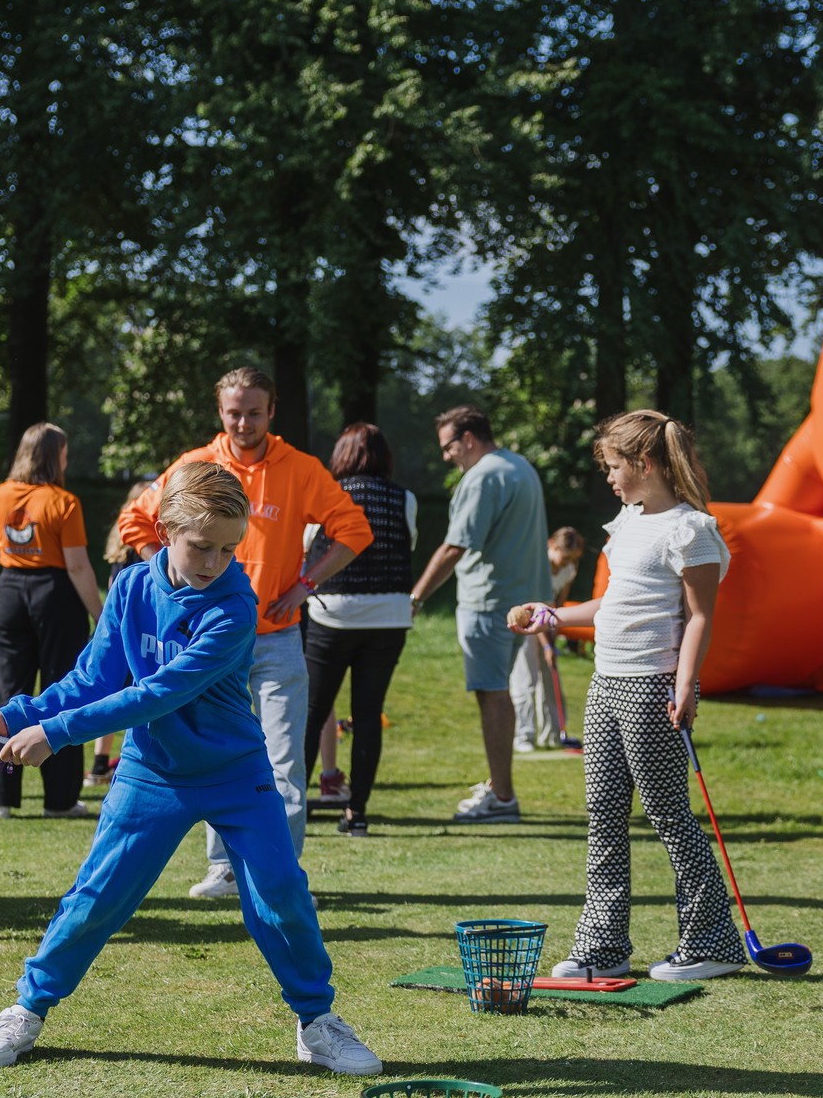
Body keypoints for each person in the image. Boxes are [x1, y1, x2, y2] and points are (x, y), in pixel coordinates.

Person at [0, 462, 382, 1076]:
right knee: (97, 895)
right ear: (163, 529)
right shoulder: (130, 588)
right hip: (151, 772)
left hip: (236, 773)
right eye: (202, 546)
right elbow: (93, 678)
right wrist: (16, 713)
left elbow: (158, 694)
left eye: (231, 548)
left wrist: (54, 734)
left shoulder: (236, 605)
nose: (216, 561)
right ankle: (27, 1009)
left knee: (280, 892)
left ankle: (317, 1022)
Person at [508, 410, 745, 982]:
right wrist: (552, 615)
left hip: (652, 689)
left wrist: (684, 684)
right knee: (605, 818)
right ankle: (602, 944)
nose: (609, 478)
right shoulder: (628, 522)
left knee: (669, 817)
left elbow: (699, 617)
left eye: (615, 467)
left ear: (645, 463)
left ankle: (712, 943)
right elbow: (610, 607)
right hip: (605, 684)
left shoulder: (691, 531)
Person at [117, 367, 371, 896]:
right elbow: (137, 522)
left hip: (276, 635)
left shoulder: (300, 468)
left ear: (271, 410)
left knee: (282, 756)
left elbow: (353, 529)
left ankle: (278, 875)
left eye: (254, 412)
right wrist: (164, 579)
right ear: (220, 411)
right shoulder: (194, 466)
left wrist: (305, 584)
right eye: (234, 412)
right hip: (204, 642)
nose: (243, 422)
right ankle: (223, 868)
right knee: (215, 750)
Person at [410, 405, 550, 824]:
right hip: (520, 602)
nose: (446, 456)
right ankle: (499, 786)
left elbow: (456, 545)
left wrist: (415, 597)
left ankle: (503, 797)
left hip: (488, 603)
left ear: (468, 438)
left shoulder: (484, 475)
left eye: (448, 446)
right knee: (499, 692)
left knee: (492, 696)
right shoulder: (519, 465)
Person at [300, 423, 415, 838]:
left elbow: (307, 545)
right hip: (389, 614)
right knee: (368, 714)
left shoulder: (328, 492)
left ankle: (293, 805)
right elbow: (409, 543)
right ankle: (357, 813)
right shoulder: (406, 497)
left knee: (313, 711)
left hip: (333, 612)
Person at [0, 423, 101, 820]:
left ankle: (0, 797)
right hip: (55, 592)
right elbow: (78, 565)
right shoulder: (63, 501)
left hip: (9, 591)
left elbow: (0, 541)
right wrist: (101, 614)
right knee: (62, 689)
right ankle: (60, 798)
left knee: (8, 691)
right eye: (64, 452)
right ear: (55, 456)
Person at [87, 480, 152, 790]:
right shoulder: (144, 548)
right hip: (136, 630)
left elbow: (113, 588)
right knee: (134, 694)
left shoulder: (120, 543)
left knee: (114, 693)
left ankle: (101, 762)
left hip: (120, 627)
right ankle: (125, 759)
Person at [510, 526, 585, 752]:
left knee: (551, 679)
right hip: (526, 624)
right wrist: (547, 646)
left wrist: (554, 636)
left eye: (572, 559)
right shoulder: (537, 564)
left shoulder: (569, 568)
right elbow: (536, 604)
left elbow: (558, 604)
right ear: (552, 545)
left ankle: (551, 734)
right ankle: (524, 736)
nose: (567, 562)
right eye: (564, 556)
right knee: (527, 680)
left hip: (547, 623)